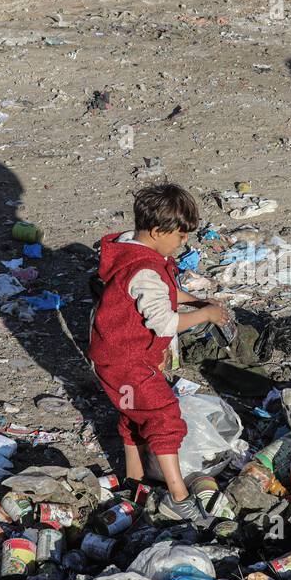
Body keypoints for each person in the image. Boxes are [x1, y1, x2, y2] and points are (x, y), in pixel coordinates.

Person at [88, 183, 229, 523]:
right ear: (157, 232)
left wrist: (196, 300)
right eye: (180, 237)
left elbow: (162, 295)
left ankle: (135, 482)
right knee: (164, 415)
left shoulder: (131, 253)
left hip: (113, 353)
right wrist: (206, 314)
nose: (184, 244)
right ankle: (178, 497)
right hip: (126, 359)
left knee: (134, 413)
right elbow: (164, 322)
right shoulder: (146, 271)